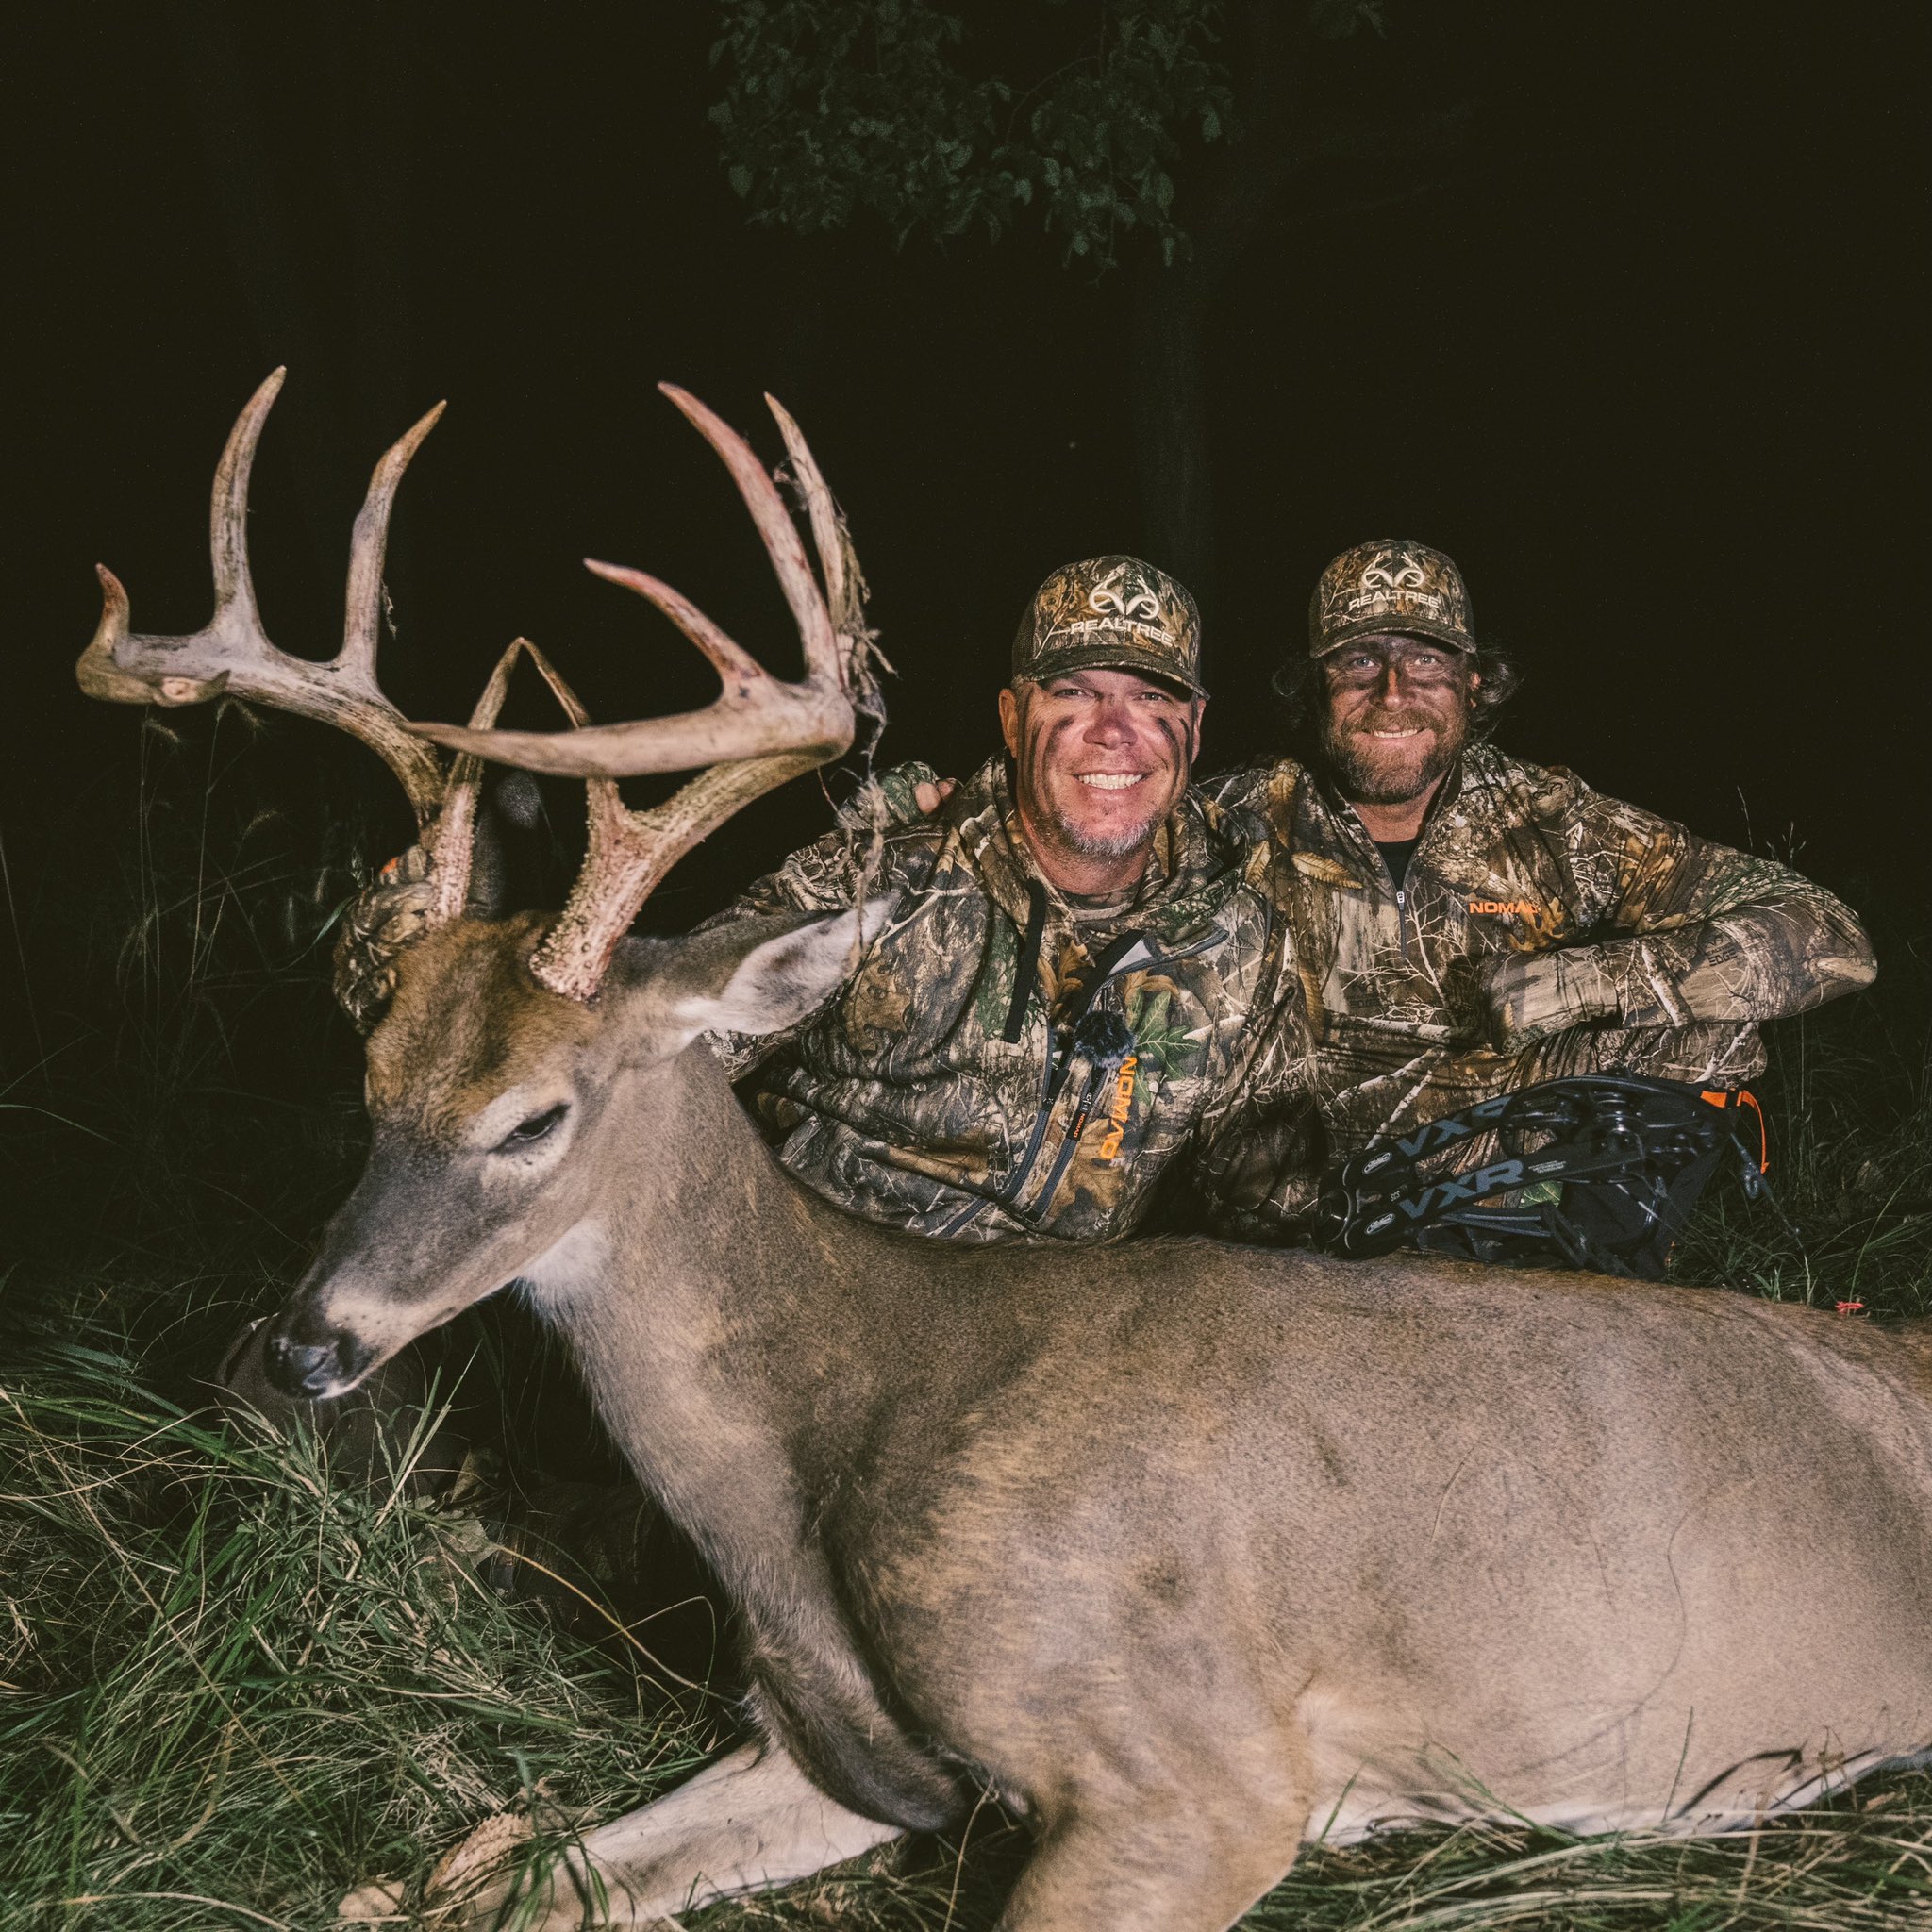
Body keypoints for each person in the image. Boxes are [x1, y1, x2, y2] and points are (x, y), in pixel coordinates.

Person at [1203, 538, 1876, 1245]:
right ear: (1315, 688)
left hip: (1499, 1154)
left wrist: (1585, 979)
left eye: (1427, 660)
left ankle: (1585, 1262)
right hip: (1293, 1171)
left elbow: (1835, 938)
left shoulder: (1549, 818)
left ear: (1474, 683)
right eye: (1360, 660)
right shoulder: (1233, 819)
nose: (1393, 692)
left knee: (1715, 1031)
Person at [704, 554, 1291, 1241]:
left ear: (1194, 725)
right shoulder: (878, 880)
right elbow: (650, 1058)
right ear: (1012, 720)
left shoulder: (1243, 945)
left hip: (1067, 1331)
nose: (1114, 729)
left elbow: (1265, 1214)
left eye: (1153, 696)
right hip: (827, 1297)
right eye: (1074, 692)